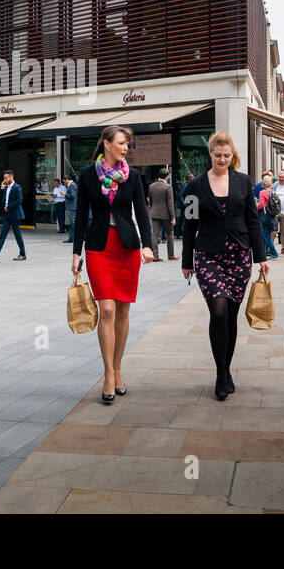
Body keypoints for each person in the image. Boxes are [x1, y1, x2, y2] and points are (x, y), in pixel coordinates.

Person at [180, 132, 267, 402]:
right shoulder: (195, 186)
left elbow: (253, 220)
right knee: (218, 311)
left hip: (239, 254)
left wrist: (261, 256)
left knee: (230, 315)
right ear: (210, 154)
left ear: (232, 155)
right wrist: (186, 261)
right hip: (207, 254)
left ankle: (226, 369)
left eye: (226, 156)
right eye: (217, 155)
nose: (222, 159)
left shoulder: (243, 182)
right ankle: (220, 374)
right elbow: (189, 224)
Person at [71, 125, 154, 403]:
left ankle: (118, 368)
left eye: (127, 144)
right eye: (122, 143)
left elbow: (142, 213)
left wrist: (148, 245)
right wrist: (75, 252)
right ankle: (108, 374)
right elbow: (81, 215)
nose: (126, 148)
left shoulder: (133, 177)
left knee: (122, 311)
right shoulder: (86, 176)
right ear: (107, 144)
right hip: (98, 248)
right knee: (105, 309)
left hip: (126, 247)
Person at [0, 170, 27, 261]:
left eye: (6, 178)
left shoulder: (17, 187)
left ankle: (23, 254)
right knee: (2, 234)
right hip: (7, 215)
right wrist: (2, 188)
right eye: (4, 178)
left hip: (15, 214)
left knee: (17, 235)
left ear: (11, 177)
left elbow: (19, 200)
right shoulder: (6, 188)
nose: (4, 180)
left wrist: (9, 207)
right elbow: (1, 199)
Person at [147, 168, 176, 261]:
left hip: (154, 213)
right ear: (167, 177)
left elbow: (150, 201)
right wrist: (173, 217)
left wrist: (153, 209)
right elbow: (170, 204)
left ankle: (155, 256)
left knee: (155, 235)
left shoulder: (151, 186)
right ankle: (171, 255)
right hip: (166, 215)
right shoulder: (168, 187)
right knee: (170, 234)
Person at [255, 175, 279, 259]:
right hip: (271, 215)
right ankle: (263, 252)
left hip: (264, 215)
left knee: (265, 236)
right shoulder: (273, 191)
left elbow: (261, 204)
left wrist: (255, 208)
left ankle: (274, 254)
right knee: (267, 234)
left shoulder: (263, 192)